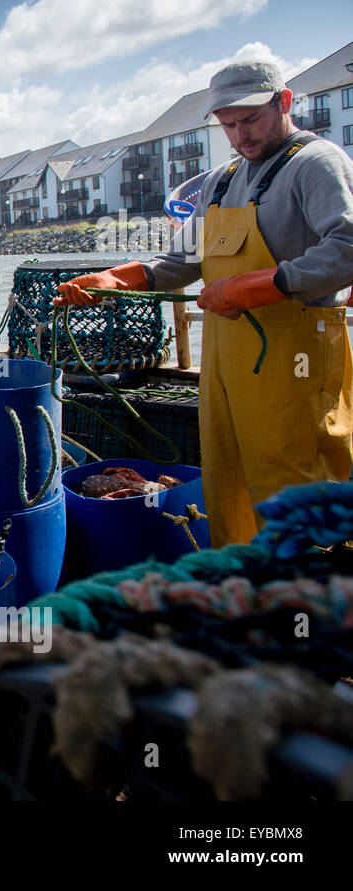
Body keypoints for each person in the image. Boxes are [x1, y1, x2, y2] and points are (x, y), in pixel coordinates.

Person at [56, 60, 353, 547]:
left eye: (251, 120)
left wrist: (255, 287)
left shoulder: (317, 163)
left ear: (284, 102)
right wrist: (116, 278)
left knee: (297, 479)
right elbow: (181, 261)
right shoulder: (221, 179)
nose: (240, 135)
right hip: (226, 360)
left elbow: (346, 248)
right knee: (228, 480)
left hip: (296, 358)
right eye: (228, 125)